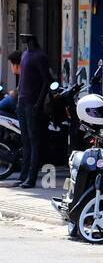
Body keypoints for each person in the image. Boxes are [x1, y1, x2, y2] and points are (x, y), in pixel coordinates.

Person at [16, 33, 50, 188]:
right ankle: (23, 175)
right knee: (25, 140)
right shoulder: (24, 54)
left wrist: (39, 103)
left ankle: (31, 177)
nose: (22, 39)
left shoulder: (40, 56)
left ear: (31, 39)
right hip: (22, 101)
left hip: (32, 102)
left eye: (25, 37)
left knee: (34, 140)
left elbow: (46, 81)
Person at [0, 51, 21, 116]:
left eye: (11, 64)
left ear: (16, 65)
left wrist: (13, 93)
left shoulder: (24, 76)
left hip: (20, 108)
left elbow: (16, 95)